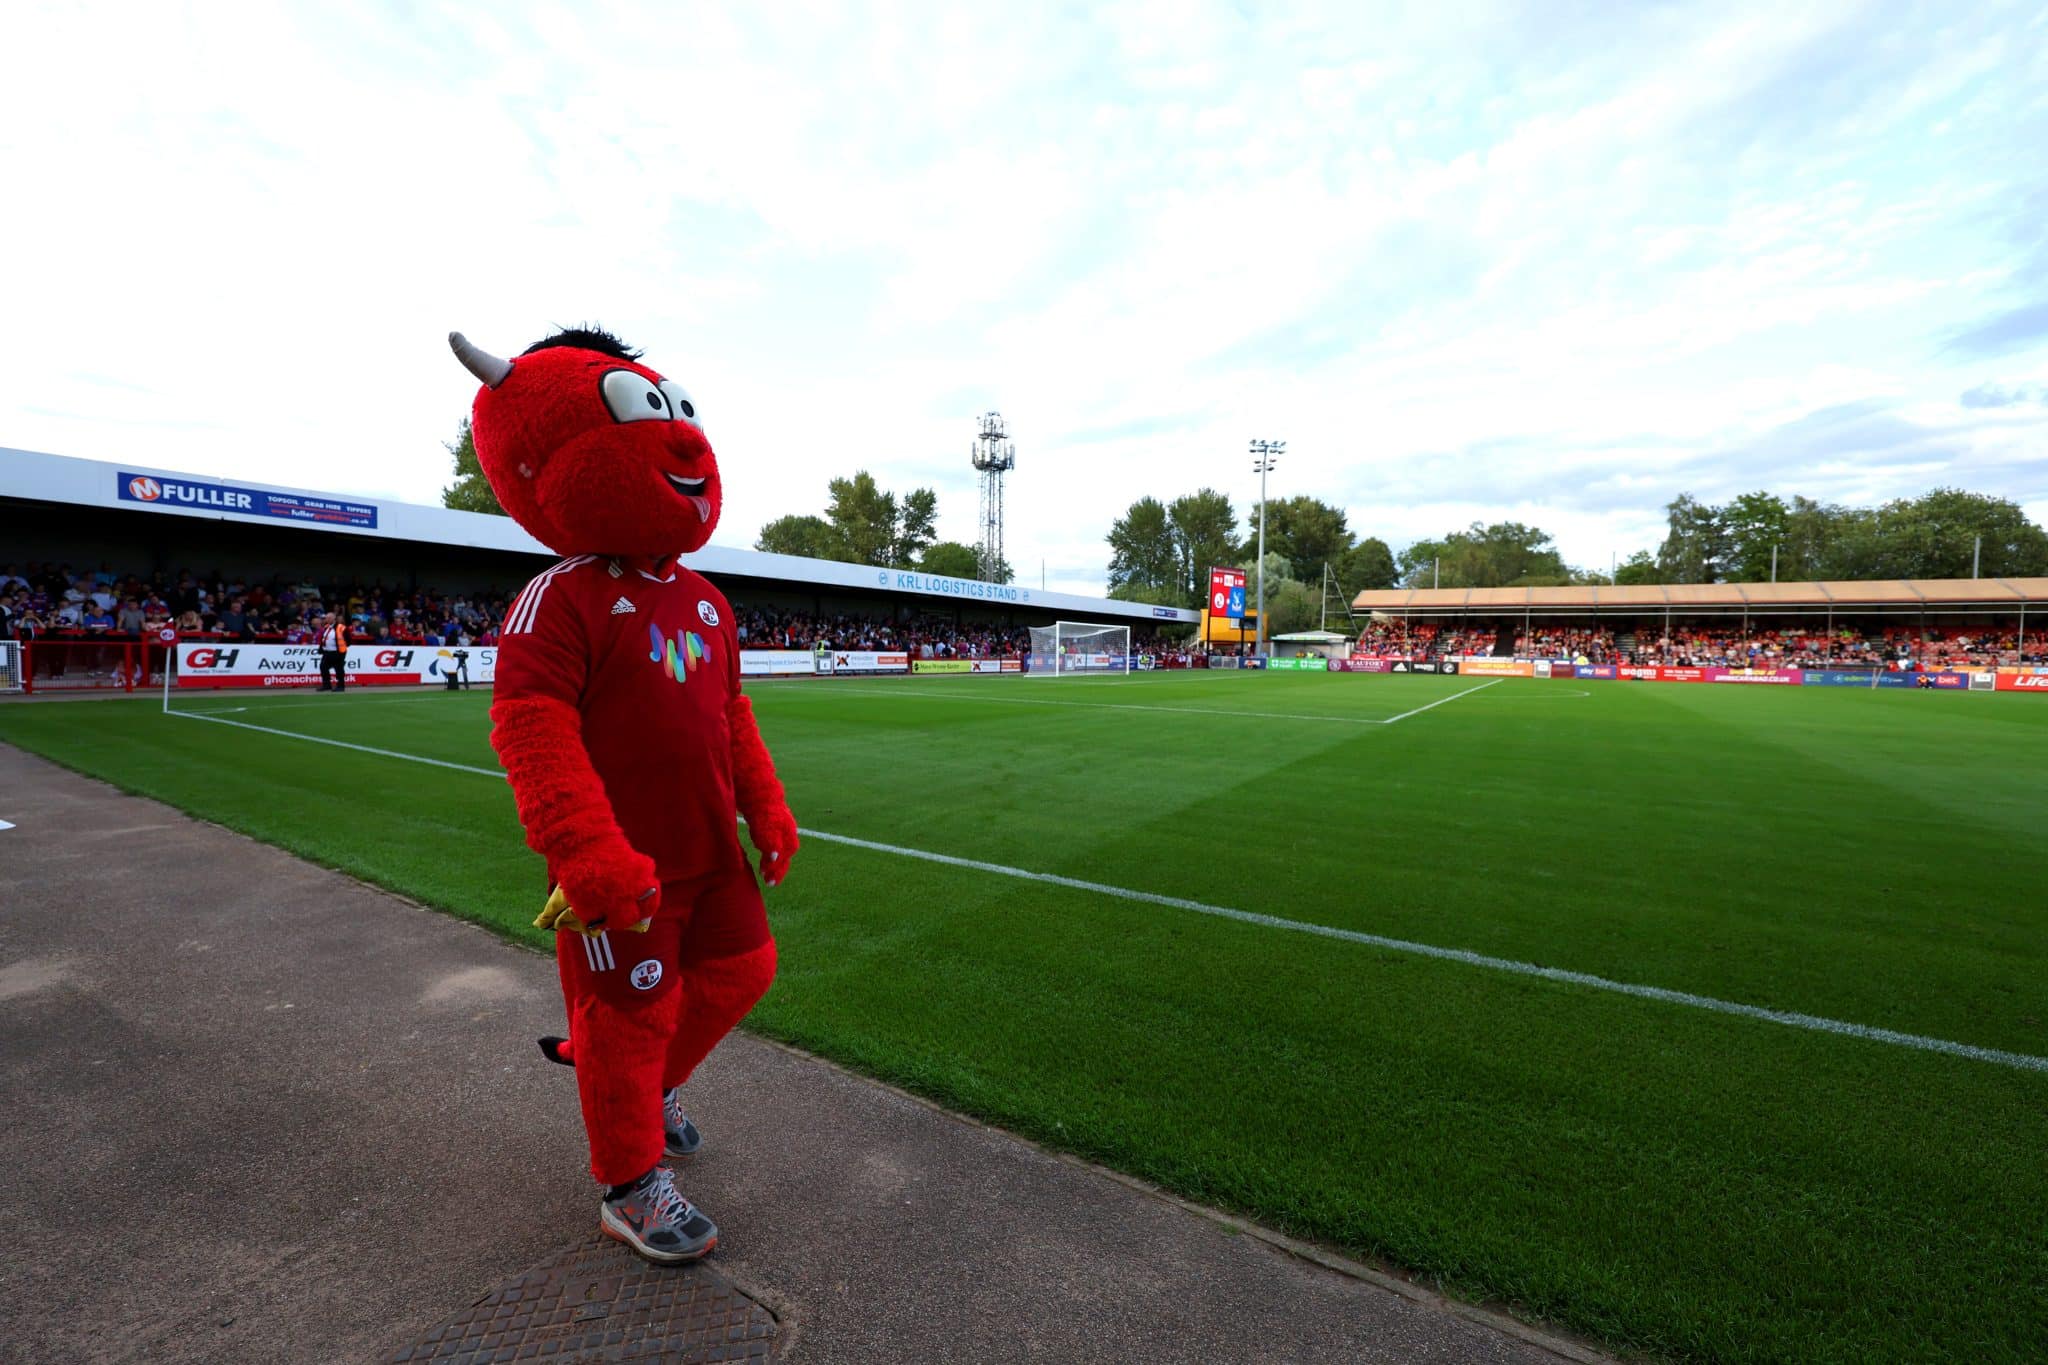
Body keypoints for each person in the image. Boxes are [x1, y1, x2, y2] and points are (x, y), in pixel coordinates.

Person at [454, 324, 798, 1266]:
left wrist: (764, 806)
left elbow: (731, 715)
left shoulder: (706, 600)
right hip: (622, 871)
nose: (682, 440)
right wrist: (586, 852)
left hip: (708, 851)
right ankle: (629, 1183)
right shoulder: (557, 596)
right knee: (623, 1019)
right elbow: (531, 728)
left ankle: (646, 1090)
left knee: (743, 971)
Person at [316, 612, 349, 691]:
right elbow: (324, 639)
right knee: (323, 667)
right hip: (327, 652)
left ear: (334, 618)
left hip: (338, 652)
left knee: (339, 669)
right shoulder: (326, 627)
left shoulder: (341, 627)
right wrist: (321, 648)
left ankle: (340, 686)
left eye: (329, 618)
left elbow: (348, 640)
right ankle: (327, 685)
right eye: (326, 618)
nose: (327, 619)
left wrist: (341, 649)